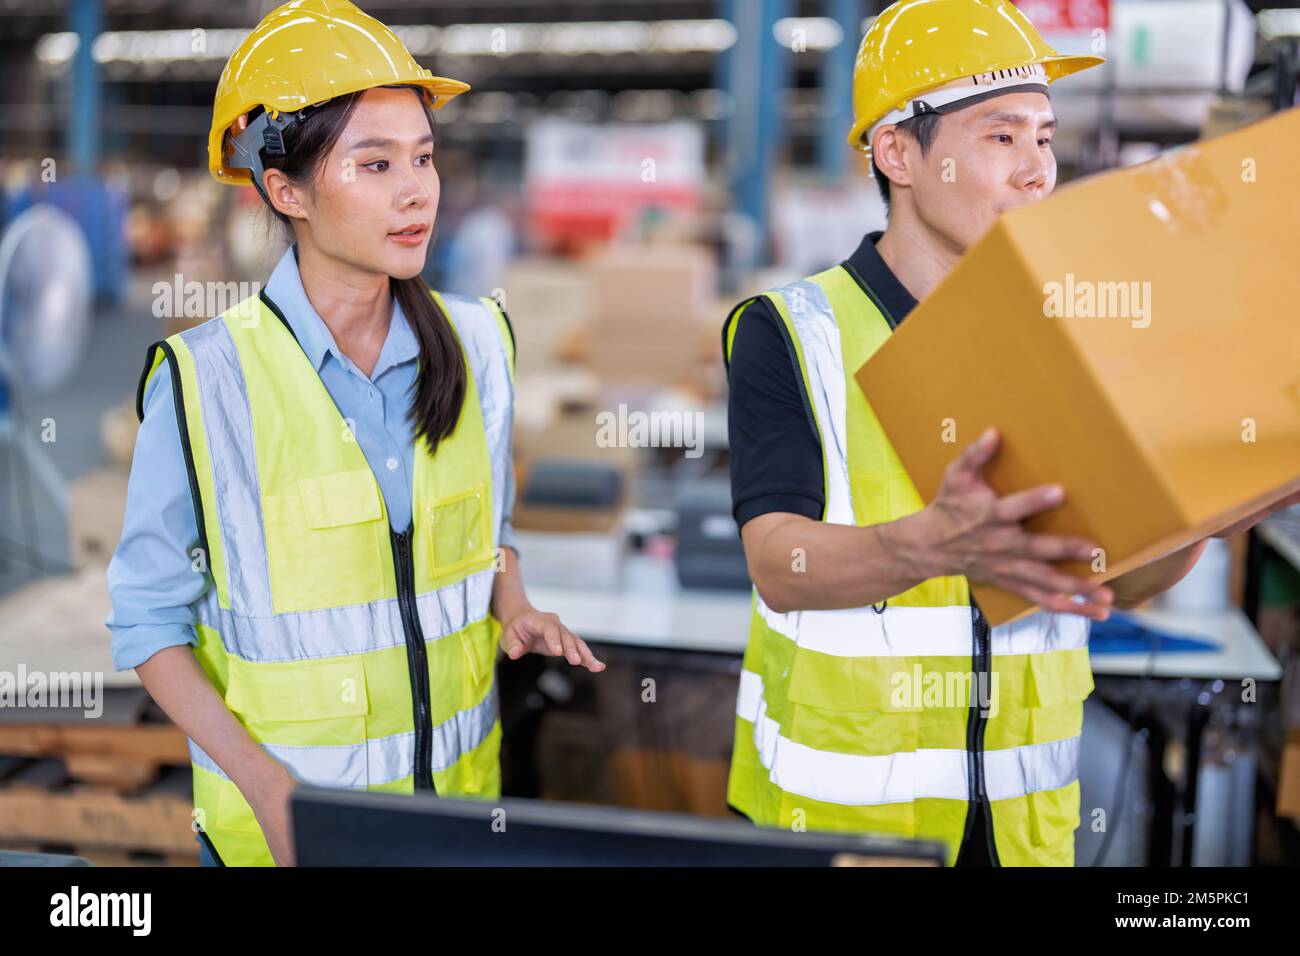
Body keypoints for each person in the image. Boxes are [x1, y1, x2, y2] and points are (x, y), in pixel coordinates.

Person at [722, 0, 1299, 865]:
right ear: (896, 153)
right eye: (1001, 138)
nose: (1038, 172)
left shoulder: (1072, 330)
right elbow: (779, 564)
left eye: (1045, 137)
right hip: (848, 831)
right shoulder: (792, 328)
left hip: (1027, 834)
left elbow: (1116, 579)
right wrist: (934, 546)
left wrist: (1205, 517)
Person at [106, 0, 603, 868]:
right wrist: (270, 793)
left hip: (457, 821)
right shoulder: (205, 383)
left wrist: (514, 609)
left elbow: (488, 542)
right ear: (284, 189)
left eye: (423, 157)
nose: (417, 190)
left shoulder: (480, 343)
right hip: (293, 836)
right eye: (374, 164)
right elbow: (148, 625)